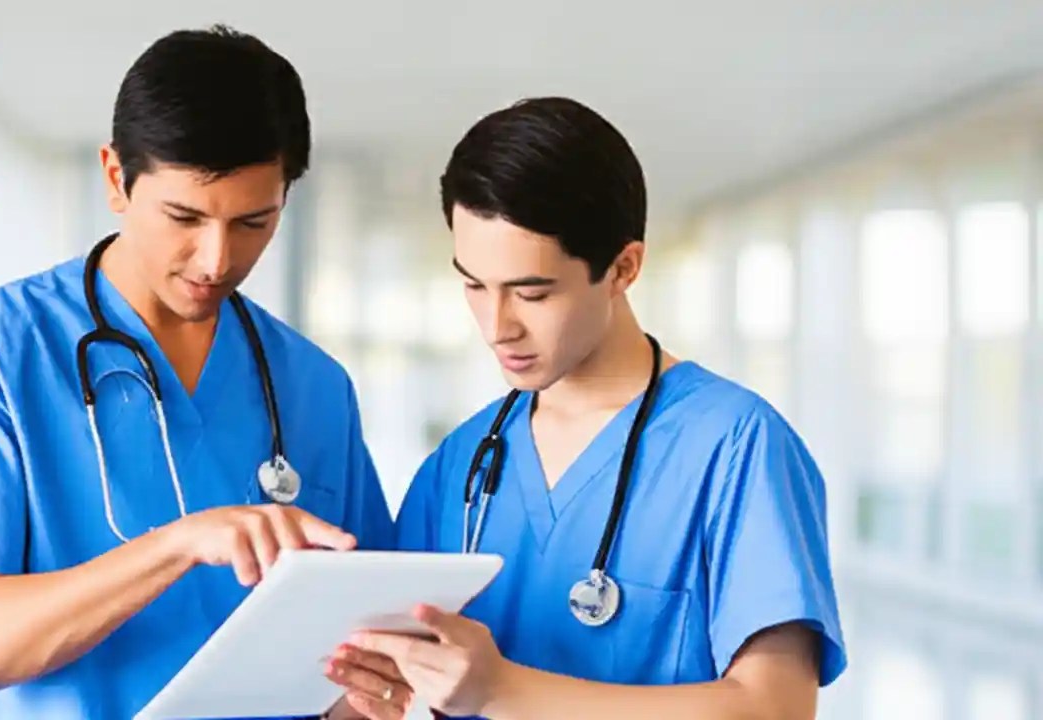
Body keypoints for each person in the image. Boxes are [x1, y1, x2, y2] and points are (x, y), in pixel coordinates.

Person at [0, 26, 403, 719]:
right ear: (116, 178)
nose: (217, 259)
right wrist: (179, 545)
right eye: (184, 216)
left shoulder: (313, 385)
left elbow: (365, 638)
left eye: (253, 222)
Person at [326, 97, 847, 719]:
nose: (497, 327)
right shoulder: (461, 464)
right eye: (473, 284)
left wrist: (503, 690)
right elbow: (380, 679)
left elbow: (777, 708)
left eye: (532, 292)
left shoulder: (735, 446)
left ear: (624, 267)